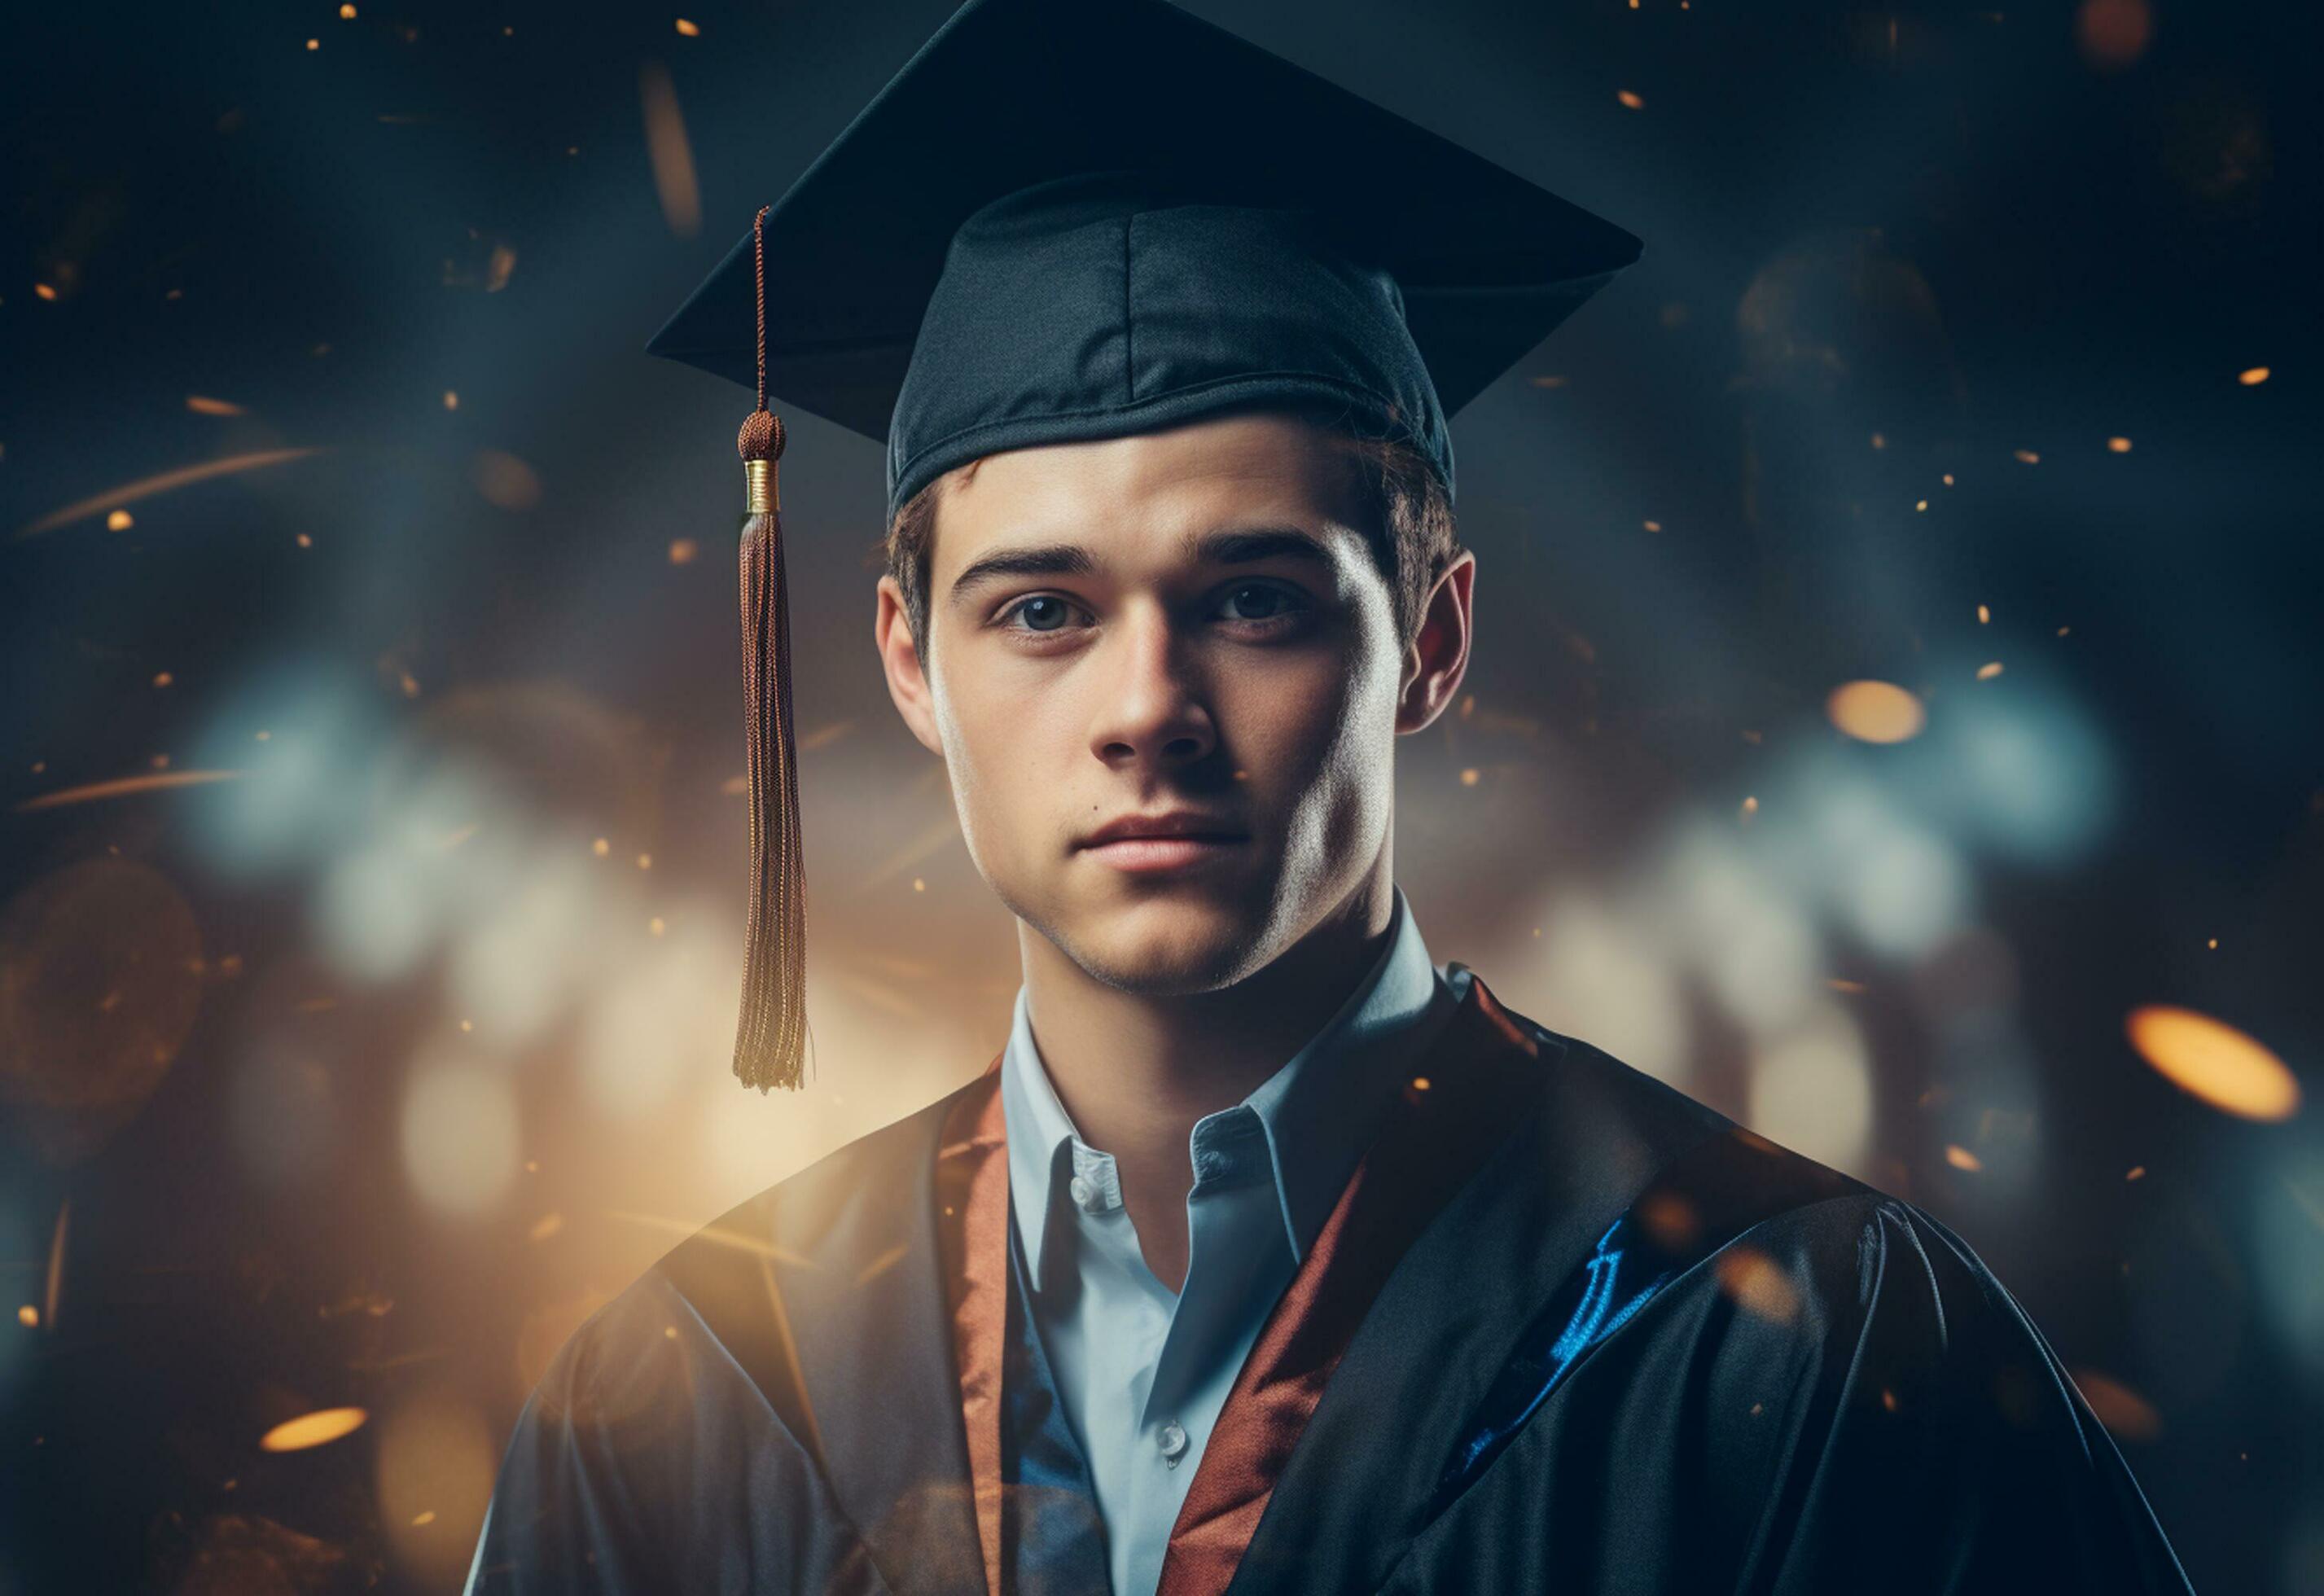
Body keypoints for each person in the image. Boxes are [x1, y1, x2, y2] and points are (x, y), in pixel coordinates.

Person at [466, 0, 2197, 1590]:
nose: (1146, 710)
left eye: (1251, 600)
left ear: (1430, 642)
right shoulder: (683, 1396)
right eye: (1043, 612)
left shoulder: (1794, 1343)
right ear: (911, 664)